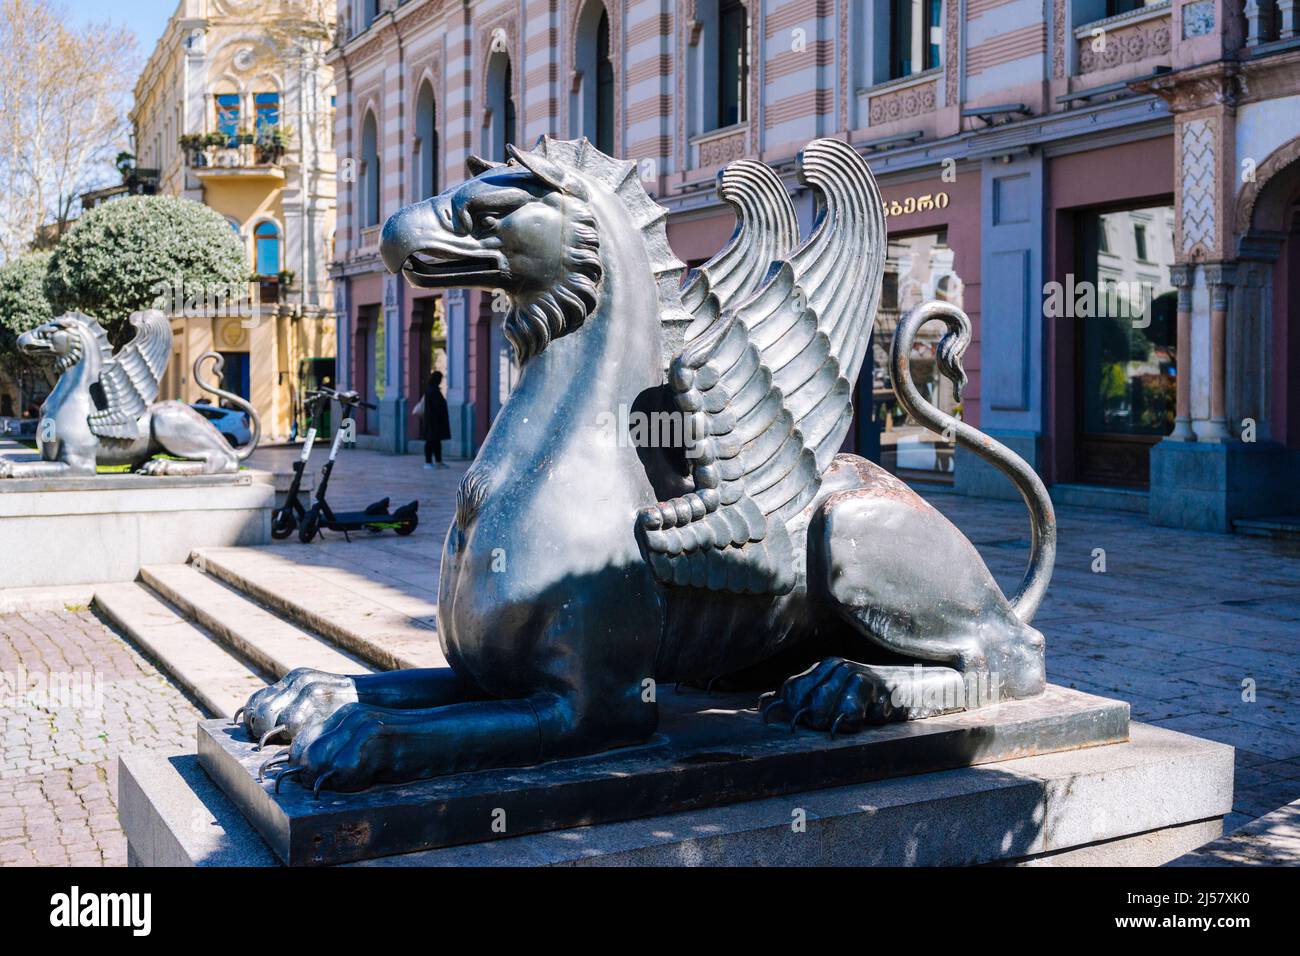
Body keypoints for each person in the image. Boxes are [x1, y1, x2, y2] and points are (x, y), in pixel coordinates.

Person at [421, 371, 451, 469]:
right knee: (430, 442)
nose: (441, 381)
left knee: (436, 442)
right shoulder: (432, 390)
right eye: (440, 379)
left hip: (435, 421)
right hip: (432, 421)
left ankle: (438, 461)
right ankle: (428, 462)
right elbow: (436, 406)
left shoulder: (432, 389)